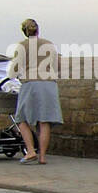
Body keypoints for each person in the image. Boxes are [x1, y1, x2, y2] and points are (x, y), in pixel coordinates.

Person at [9, 19, 62, 165]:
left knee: (22, 119)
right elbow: (57, 66)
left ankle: (31, 151)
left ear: (24, 31)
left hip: (31, 83)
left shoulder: (22, 46)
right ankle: (43, 156)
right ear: (38, 30)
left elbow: (13, 70)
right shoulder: (49, 44)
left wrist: (15, 76)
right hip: (49, 84)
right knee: (44, 121)